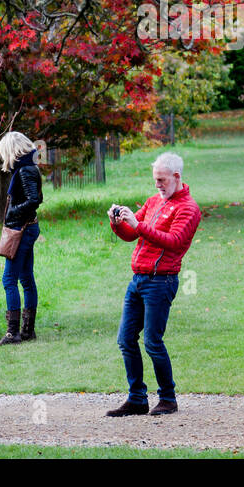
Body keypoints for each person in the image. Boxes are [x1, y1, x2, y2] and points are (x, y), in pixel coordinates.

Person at [105, 151, 201, 416]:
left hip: (161, 282)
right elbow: (132, 232)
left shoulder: (189, 209)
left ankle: (168, 398)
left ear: (176, 177)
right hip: (138, 280)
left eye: (161, 180)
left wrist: (138, 224)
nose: (157, 185)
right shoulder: (153, 202)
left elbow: (174, 242)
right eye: (155, 180)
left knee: (152, 342)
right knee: (125, 339)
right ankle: (137, 399)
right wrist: (118, 222)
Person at [0, 131, 43, 346]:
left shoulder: (24, 170)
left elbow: (34, 200)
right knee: (26, 278)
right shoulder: (27, 167)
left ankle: (13, 334)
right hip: (27, 227)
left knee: (9, 280)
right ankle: (27, 331)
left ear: (11, 150)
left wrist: (12, 213)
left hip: (21, 229)